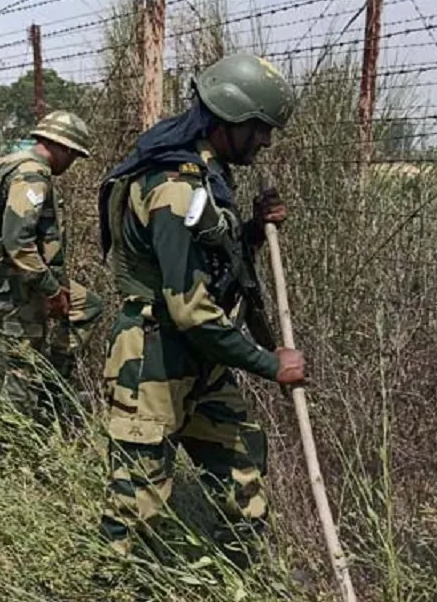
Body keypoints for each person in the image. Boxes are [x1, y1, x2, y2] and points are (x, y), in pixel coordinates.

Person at [96, 52, 308, 568]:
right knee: (137, 507)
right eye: (260, 128)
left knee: (241, 466)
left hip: (200, 356)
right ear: (230, 119)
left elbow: (209, 261)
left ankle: (243, 576)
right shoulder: (175, 186)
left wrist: (253, 230)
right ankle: (113, 583)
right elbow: (189, 308)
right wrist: (269, 363)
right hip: (154, 359)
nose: (265, 141)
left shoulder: (206, 174)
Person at [0, 110, 103, 425]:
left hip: (11, 275)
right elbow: (18, 241)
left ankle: (51, 385)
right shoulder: (33, 173)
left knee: (87, 306)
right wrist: (52, 291)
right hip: (20, 281)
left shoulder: (4, 164)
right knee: (23, 363)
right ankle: (13, 434)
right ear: (62, 147)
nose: (72, 163)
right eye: (74, 155)